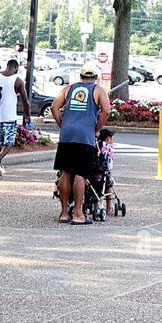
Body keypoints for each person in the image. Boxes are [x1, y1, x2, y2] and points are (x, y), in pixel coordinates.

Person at [51, 63, 111, 224]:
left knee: (65, 172)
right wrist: (96, 127)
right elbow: (106, 110)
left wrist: (62, 125)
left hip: (67, 135)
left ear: (81, 76)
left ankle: (64, 213)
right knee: (80, 173)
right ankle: (78, 214)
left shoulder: (68, 89)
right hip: (85, 136)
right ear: (96, 77)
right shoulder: (98, 90)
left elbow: (54, 107)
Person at [0, 58, 31, 177]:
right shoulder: (18, 81)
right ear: (16, 68)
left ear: (6, 66)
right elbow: (25, 101)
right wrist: (27, 115)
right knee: (9, 142)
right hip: (9, 116)